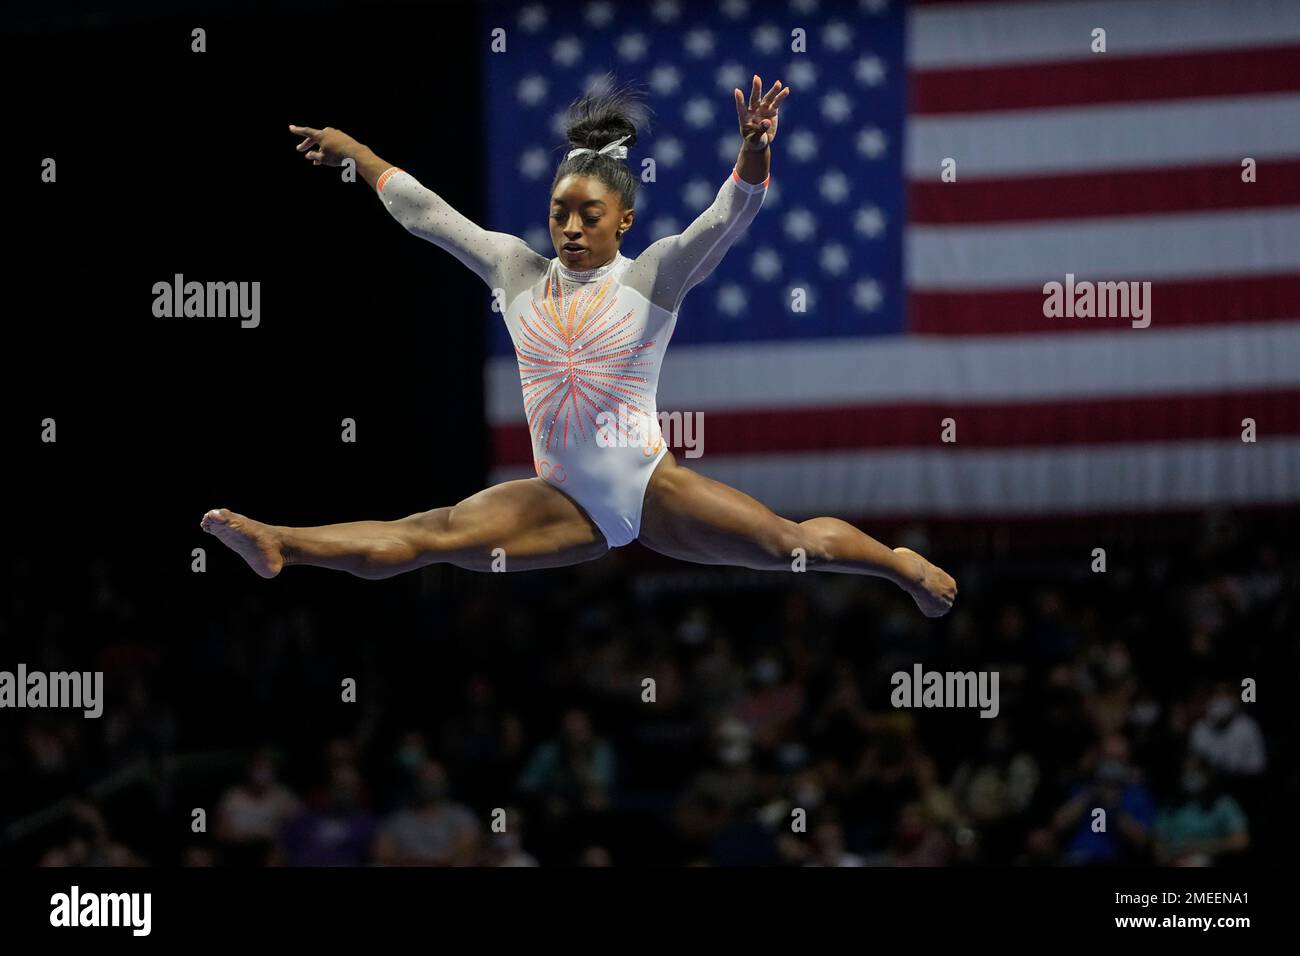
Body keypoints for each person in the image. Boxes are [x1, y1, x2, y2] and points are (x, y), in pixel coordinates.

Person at [201, 75, 956, 618]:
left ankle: (896, 567)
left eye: (588, 215)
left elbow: (726, 219)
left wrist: (754, 152)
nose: (569, 227)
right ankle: (279, 542)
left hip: (649, 486)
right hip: (560, 497)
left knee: (796, 547)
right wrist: (357, 151)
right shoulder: (516, 271)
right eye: (560, 211)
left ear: (622, 220)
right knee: (427, 535)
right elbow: (427, 216)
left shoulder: (651, 276)